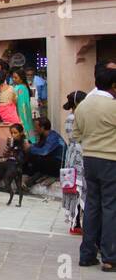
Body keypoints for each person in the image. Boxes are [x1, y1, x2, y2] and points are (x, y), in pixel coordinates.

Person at [73, 64, 116, 271]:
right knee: (110, 208)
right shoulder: (113, 107)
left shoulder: (83, 105)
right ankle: (109, 257)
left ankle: (87, 253)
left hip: (89, 159)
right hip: (111, 159)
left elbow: (76, 134)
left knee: (91, 205)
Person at [62, 91, 87, 235]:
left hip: (74, 154)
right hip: (78, 155)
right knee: (77, 189)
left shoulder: (72, 117)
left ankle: (76, 222)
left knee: (77, 188)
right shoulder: (74, 117)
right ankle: (76, 223)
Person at [23, 118, 65, 186]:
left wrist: (30, 148)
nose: (35, 129)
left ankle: (50, 175)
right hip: (51, 161)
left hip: (60, 164)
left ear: (42, 128)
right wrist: (29, 146)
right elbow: (38, 147)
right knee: (29, 156)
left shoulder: (53, 137)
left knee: (38, 158)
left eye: (36, 127)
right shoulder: (44, 136)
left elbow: (44, 152)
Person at [11, 68, 36, 143]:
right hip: (26, 114)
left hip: (21, 114)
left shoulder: (20, 88)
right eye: (13, 77)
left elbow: (21, 104)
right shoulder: (24, 87)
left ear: (21, 78)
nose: (13, 79)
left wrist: (20, 117)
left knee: (25, 130)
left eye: (16, 77)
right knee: (29, 127)